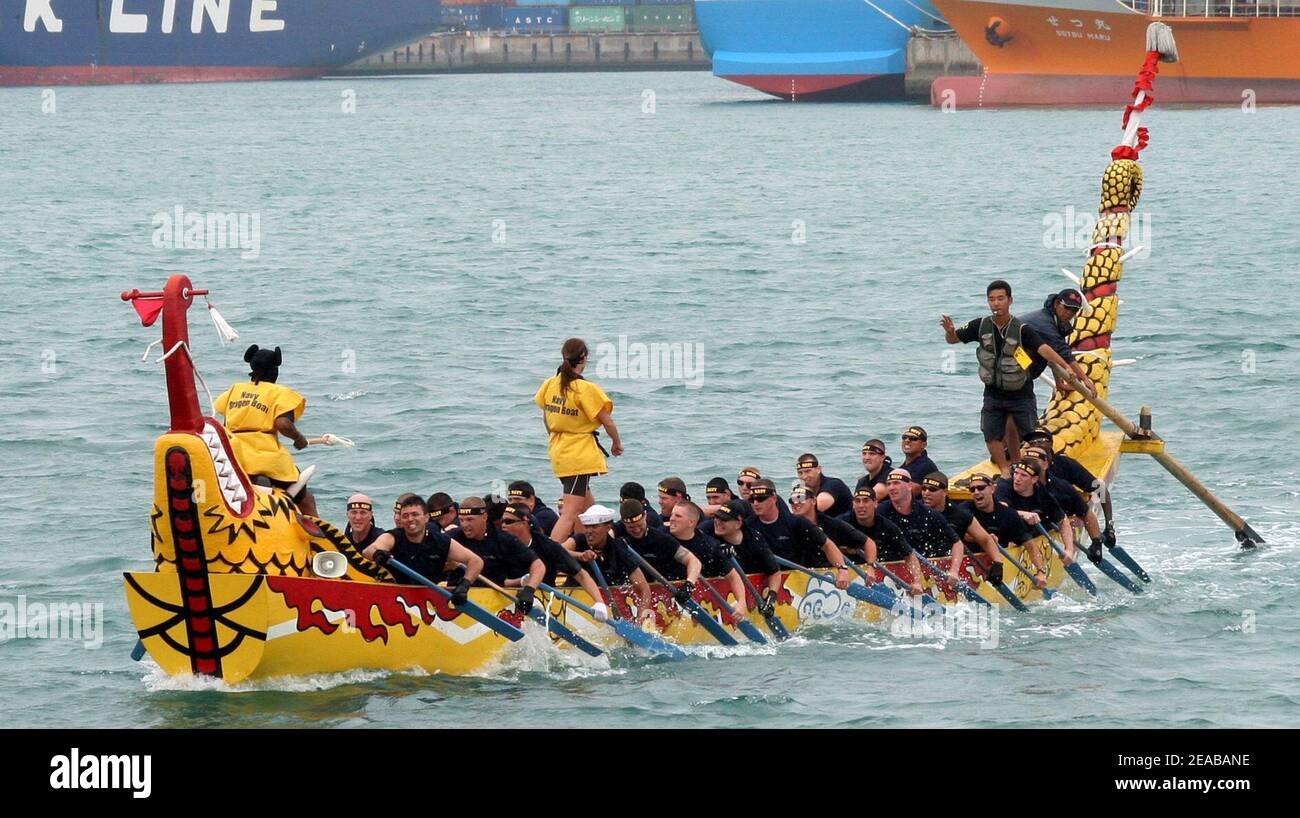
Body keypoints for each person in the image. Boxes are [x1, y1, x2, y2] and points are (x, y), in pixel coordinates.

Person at [941, 280, 1096, 477]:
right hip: (994, 389)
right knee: (992, 433)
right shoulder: (980, 325)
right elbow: (953, 339)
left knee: (1029, 433)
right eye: (992, 299)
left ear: (1010, 300)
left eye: (1000, 299)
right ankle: (1008, 469)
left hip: (1021, 386)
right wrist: (949, 332)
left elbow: (1048, 350)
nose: (996, 303)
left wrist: (1069, 371)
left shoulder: (1024, 328)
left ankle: (1037, 471)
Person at [535, 337, 624, 544]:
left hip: (559, 451)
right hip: (578, 455)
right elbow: (608, 423)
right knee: (570, 513)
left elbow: (547, 417)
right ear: (584, 357)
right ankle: (549, 556)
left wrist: (557, 436)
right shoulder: (585, 389)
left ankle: (587, 548)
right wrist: (616, 443)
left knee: (587, 510)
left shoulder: (550, 384)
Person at [213, 344, 318, 516]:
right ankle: (317, 538)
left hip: (233, 455)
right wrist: (298, 438)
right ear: (274, 371)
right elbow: (283, 424)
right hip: (264, 456)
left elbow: (225, 423)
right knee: (304, 496)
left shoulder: (235, 390)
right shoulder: (279, 392)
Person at [363, 495, 483, 606]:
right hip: (396, 599)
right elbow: (368, 551)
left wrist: (464, 586)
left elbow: (476, 561)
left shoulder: (440, 541)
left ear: (426, 517)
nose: (410, 519)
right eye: (405, 516)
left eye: (415, 514)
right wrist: (377, 553)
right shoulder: (393, 537)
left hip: (429, 602)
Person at [498, 502, 608, 621]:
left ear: (525, 522)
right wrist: (520, 581)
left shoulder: (546, 545)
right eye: (502, 522)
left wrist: (599, 603)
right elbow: (497, 581)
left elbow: (581, 575)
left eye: (509, 522)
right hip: (508, 597)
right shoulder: (498, 544)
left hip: (545, 598)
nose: (503, 526)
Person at [747, 479, 851, 590]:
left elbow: (827, 545)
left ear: (774, 499)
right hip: (761, 579)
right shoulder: (747, 526)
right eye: (752, 500)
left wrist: (842, 569)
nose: (755, 503)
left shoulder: (797, 522)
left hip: (796, 581)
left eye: (760, 499)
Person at [448, 497, 545, 614]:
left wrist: (529, 590)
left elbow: (538, 566)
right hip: (457, 598)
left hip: (495, 602)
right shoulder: (453, 537)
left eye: (470, 519)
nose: (464, 525)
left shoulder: (503, 539)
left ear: (484, 517)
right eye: (461, 520)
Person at [1023, 427, 1117, 547]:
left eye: (1040, 440)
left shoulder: (1065, 465)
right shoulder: (1022, 471)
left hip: (1063, 515)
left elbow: (1100, 489)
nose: (1036, 444)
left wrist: (1109, 525)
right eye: (1032, 443)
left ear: (1050, 443)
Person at [615, 499, 704, 626]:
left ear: (645, 516)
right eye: (631, 528)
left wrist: (689, 585)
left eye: (639, 525)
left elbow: (693, 561)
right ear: (623, 523)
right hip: (625, 588)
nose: (636, 530)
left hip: (653, 590)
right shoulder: (617, 533)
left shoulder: (660, 538)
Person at [877, 470, 965, 586]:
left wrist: (954, 571)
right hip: (889, 571)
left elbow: (957, 543)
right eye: (888, 484)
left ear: (909, 486)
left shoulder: (929, 514)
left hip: (926, 573)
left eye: (896, 483)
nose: (891, 488)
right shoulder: (879, 513)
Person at [962, 472, 1049, 589]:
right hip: (968, 557)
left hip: (997, 563)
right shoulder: (963, 511)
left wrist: (1040, 572)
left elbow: (1030, 545)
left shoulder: (1008, 515)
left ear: (993, 489)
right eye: (972, 489)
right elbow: (955, 535)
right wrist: (983, 538)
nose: (976, 492)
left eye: (981, 487)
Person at [1023, 444, 1106, 562]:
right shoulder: (1011, 486)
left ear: (1046, 464)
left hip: (1048, 530)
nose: (1029, 466)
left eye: (1034, 462)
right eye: (1026, 462)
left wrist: (1096, 542)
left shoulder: (1062, 487)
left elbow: (1086, 513)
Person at [666, 502, 748, 617]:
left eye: (678, 516)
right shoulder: (661, 536)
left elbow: (733, 577)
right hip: (667, 586)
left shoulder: (709, 546)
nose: (672, 519)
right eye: (672, 515)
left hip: (691, 592)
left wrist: (741, 602)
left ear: (691, 522)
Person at [918, 472, 1003, 583]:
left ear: (945, 493)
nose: (926, 493)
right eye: (924, 489)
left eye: (932, 490)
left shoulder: (959, 515)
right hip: (920, 561)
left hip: (950, 566)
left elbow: (986, 540)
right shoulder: (915, 510)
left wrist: (997, 563)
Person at [838, 485, 925, 594]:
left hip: (882, 571)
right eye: (857, 501)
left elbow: (910, 555)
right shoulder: (840, 524)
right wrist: (843, 550)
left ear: (875, 503)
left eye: (866, 501)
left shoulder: (888, 527)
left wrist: (917, 581)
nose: (861, 505)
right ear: (853, 504)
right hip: (850, 570)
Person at [995, 459, 1082, 564]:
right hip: (1006, 534)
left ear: (1034, 479)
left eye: (1023, 475)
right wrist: (1022, 514)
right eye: (1016, 473)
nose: (1017, 479)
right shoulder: (1004, 487)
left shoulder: (1042, 493)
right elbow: (1000, 510)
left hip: (1034, 532)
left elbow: (1063, 520)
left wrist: (1069, 550)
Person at [710, 499, 783, 615]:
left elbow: (774, 572)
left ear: (739, 523)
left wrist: (771, 598)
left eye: (724, 519)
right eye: (717, 517)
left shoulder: (755, 541)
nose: (718, 522)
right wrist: (716, 547)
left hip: (748, 576)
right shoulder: (707, 529)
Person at [788, 485, 868, 565]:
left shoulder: (831, 524)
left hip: (833, 571)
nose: (795, 503)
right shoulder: (786, 526)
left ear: (813, 501)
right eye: (792, 500)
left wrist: (871, 566)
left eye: (800, 499)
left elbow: (868, 543)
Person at [566, 504, 634, 585]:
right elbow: (557, 551)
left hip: (610, 592)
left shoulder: (618, 547)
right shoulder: (579, 540)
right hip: (576, 591)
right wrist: (580, 556)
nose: (589, 531)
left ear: (608, 527)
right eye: (587, 527)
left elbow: (643, 587)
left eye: (594, 527)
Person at [794, 453, 855, 517]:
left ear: (818, 469)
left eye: (808, 471)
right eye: (800, 473)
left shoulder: (833, 484)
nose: (804, 477)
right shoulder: (801, 489)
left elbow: (813, 510)